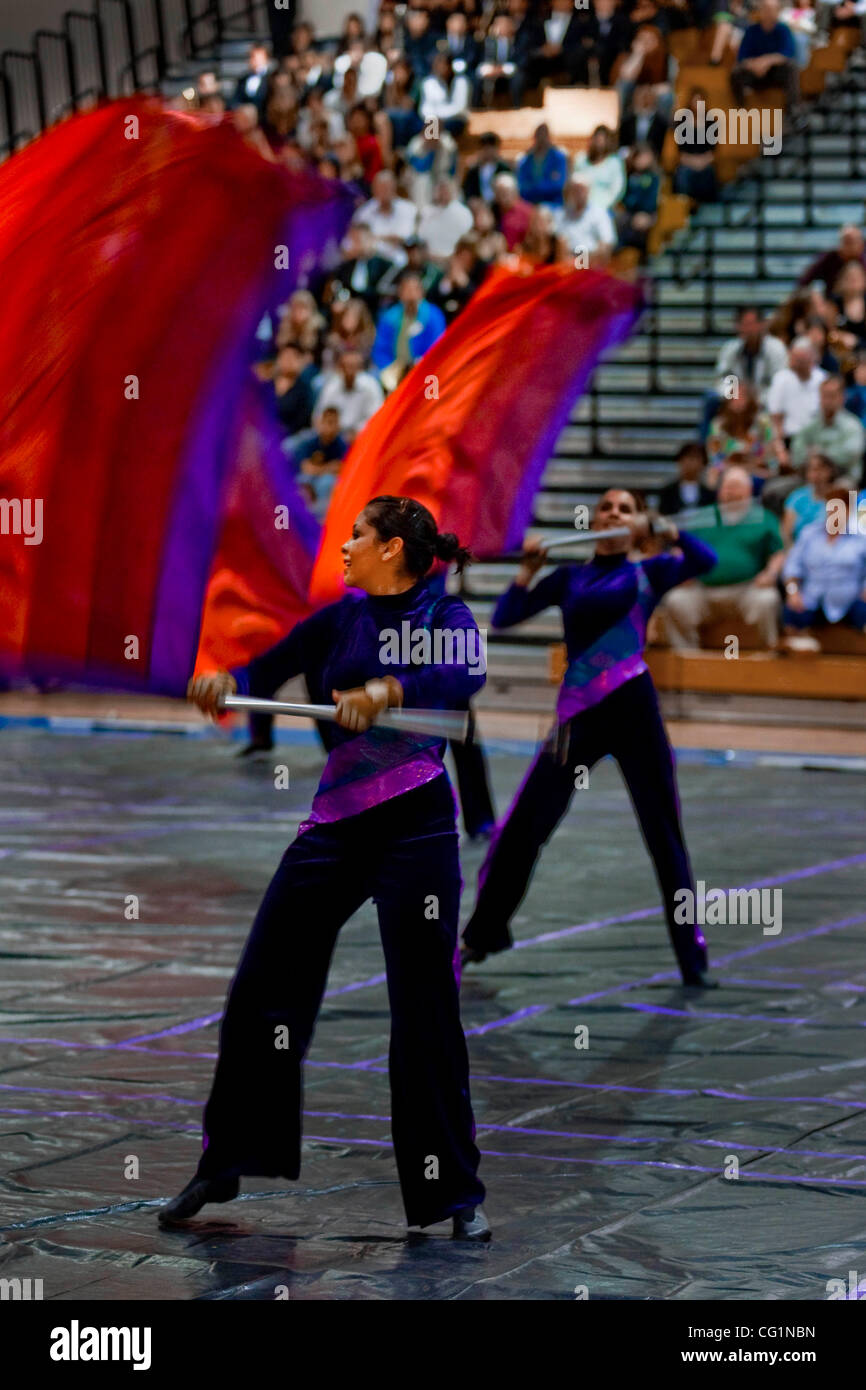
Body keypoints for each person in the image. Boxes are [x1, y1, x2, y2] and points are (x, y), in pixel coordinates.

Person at [161, 497, 489, 1239]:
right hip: (336, 828)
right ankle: (228, 1158)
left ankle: (454, 1195)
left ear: (396, 549)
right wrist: (227, 680)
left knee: (424, 1007)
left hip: (417, 827)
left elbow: (462, 677)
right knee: (261, 984)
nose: (344, 547)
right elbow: (270, 666)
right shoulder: (340, 619)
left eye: (358, 536)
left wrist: (389, 692)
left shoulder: (445, 619)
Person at [460, 488, 718, 986]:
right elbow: (507, 616)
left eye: (625, 509)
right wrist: (528, 570)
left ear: (636, 523)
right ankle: (483, 934)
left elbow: (705, 559)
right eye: (606, 508)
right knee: (523, 828)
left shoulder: (652, 571)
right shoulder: (569, 577)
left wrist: (667, 531)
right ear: (594, 519)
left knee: (664, 836)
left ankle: (692, 959)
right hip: (578, 715)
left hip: (635, 711)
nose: (613, 514)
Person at [659, 466, 785, 649]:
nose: (731, 492)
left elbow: (779, 552)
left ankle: (767, 657)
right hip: (702, 589)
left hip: (747, 589)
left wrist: (771, 574)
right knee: (675, 600)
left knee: (768, 599)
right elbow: (680, 549)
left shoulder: (764, 518)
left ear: (749, 491)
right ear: (719, 491)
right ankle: (688, 660)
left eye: (736, 487)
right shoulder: (702, 517)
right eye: (727, 487)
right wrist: (681, 571)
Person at [782, 488, 866, 650]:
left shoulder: (861, 539)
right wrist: (793, 591)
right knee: (792, 610)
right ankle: (797, 649)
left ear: (850, 511)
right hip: (811, 600)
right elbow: (791, 567)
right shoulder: (809, 534)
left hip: (850, 601)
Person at [730, 0, 802, 124]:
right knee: (735, 72)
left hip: (775, 73)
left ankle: (793, 112)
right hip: (754, 73)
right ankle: (740, 109)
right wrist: (755, 65)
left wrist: (766, 62)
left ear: (778, 11)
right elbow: (742, 57)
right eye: (765, 9)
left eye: (772, 9)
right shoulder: (751, 30)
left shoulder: (784, 30)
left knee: (791, 68)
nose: (768, 13)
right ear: (760, 11)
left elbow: (787, 54)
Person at [371, 270, 447, 388]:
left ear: (422, 292)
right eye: (407, 289)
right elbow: (381, 348)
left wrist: (419, 365)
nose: (411, 294)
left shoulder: (433, 316)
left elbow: (438, 346)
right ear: (400, 293)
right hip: (395, 368)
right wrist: (389, 370)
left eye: (415, 289)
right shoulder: (389, 317)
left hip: (425, 369)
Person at [314, 347, 384, 443]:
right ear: (340, 368)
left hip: (362, 437)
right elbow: (318, 415)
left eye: (354, 366)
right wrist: (327, 430)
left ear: (361, 368)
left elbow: (376, 419)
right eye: (346, 366)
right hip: (332, 437)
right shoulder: (331, 386)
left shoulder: (371, 387)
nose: (350, 371)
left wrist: (357, 431)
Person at [767, 337, 827, 444]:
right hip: (790, 438)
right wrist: (779, 446)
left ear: (811, 359)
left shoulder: (822, 378)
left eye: (802, 360)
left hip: (818, 438)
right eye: (795, 359)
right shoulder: (781, 378)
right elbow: (775, 416)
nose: (798, 364)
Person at [781, 452, 840, 544]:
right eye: (811, 470)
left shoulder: (840, 498)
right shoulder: (797, 497)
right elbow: (785, 533)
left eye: (820, 469)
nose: (815, 474)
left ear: (830, 471)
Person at [553, 178, 615, 263]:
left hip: (592, 261)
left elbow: (606, 243)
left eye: (582, 190)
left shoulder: (600, 213)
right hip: (568, 262)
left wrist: (583, 262)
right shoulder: (561, 213)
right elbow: (560, 242)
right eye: (575, 190)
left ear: (588, 192)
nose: (579, 194)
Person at [417, 178, 475, 262]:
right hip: (429, 259)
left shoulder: (464, 213)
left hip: (454, 260)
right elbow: (421, 236)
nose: (443, 193)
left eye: (446, 190)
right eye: (440, 189)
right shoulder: (427, 211)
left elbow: (466, 239)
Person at [572, 125, 626, 212]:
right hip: (581, 206)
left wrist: (601, 207)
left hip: (604, 208)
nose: (599, 143)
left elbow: (617, 190)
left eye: (602, 140)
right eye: (597, 139)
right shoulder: (581, 159)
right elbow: (574, 182)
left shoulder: (615, 162)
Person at [517, 123, 570, 207]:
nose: (541, 139)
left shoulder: (558, 158)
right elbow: (521, 185)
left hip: (553, 204)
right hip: (530, 204)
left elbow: (558, 185)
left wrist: (534, 187)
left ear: (549, 137)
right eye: (539, 135)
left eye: (544, 135)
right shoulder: (526, 160)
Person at [657, 442, 716, 515]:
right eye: (687, 457)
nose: (690, 462)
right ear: (679, 461)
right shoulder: (668, 492)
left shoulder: (709, 495)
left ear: (703, 464)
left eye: (695, 458)